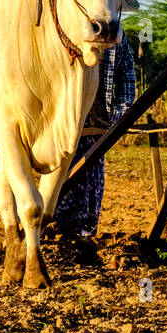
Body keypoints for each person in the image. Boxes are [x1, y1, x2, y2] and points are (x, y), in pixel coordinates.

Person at [50, 34, 137, 253]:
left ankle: (86, 232)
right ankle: (53, 227)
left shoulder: (118, 40)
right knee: (57, 174)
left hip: (98, 121)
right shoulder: (65, 32)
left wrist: (120, 114)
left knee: (92, 181)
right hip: (61, 121)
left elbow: (126, 75)